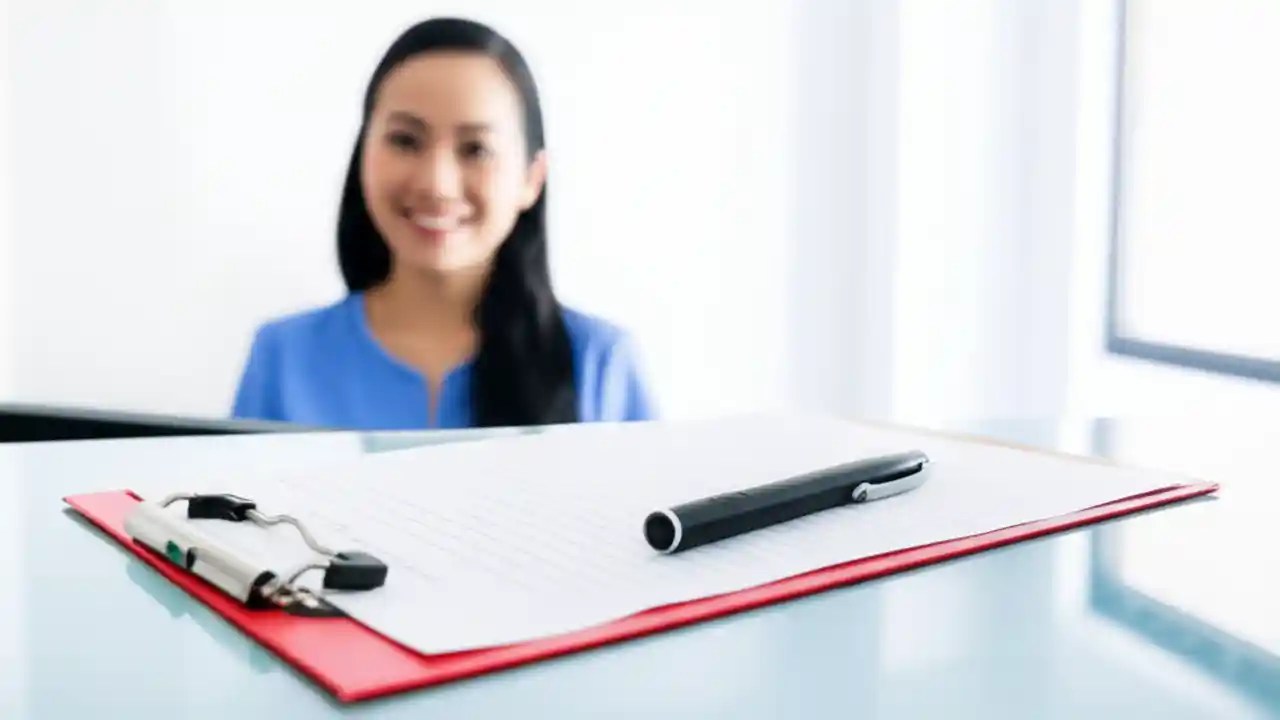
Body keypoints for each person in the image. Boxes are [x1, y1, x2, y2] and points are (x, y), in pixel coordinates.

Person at [231, 17, 656, 430]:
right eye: (405, 140)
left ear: (531, 178)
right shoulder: (282, 357)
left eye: (476, 149)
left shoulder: (604, 364)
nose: (437, 184)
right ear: (364, 155)